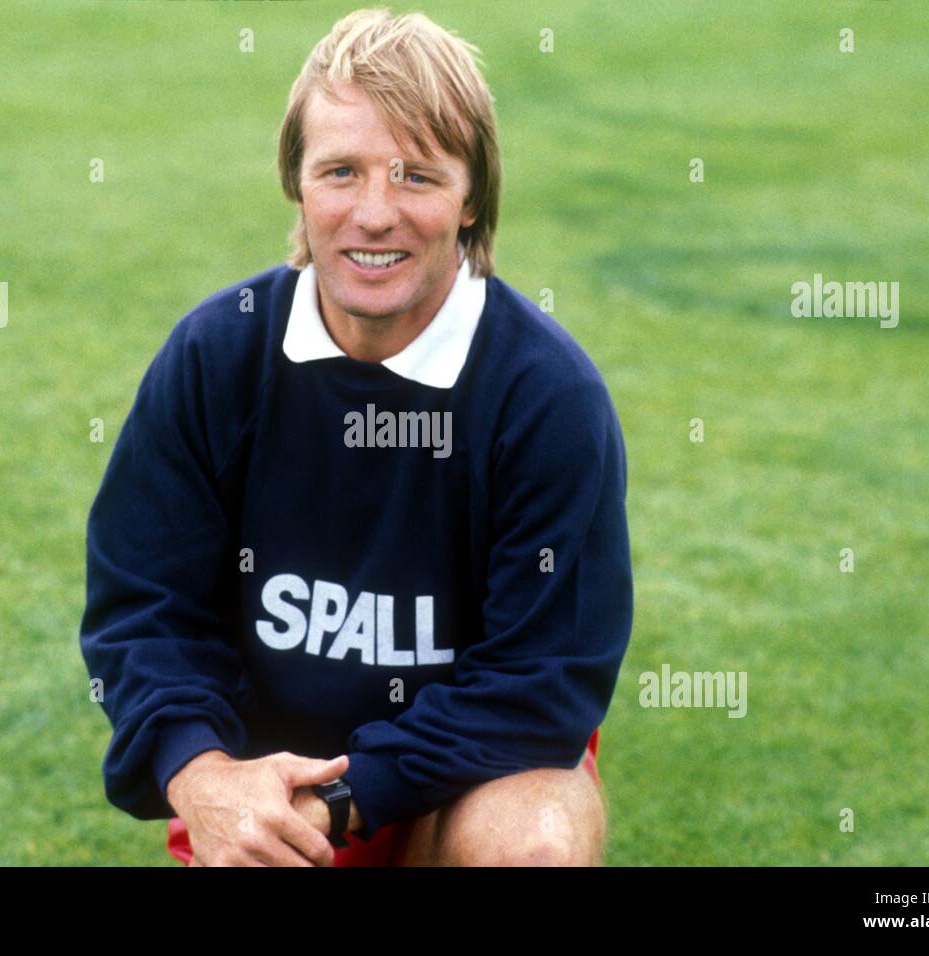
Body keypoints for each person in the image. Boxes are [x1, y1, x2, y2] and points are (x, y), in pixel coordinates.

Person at [79, 7, 633, 867]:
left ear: (473, 193)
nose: (375, 214)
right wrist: (205, 775)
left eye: (416, 175)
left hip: (464, 778)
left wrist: (344, 797)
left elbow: (542, 682)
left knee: (531, 845)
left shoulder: (544, 395)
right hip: (267, 779)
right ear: (297, 184)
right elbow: (143, 605)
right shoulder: (217, 356)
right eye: (341, 171)